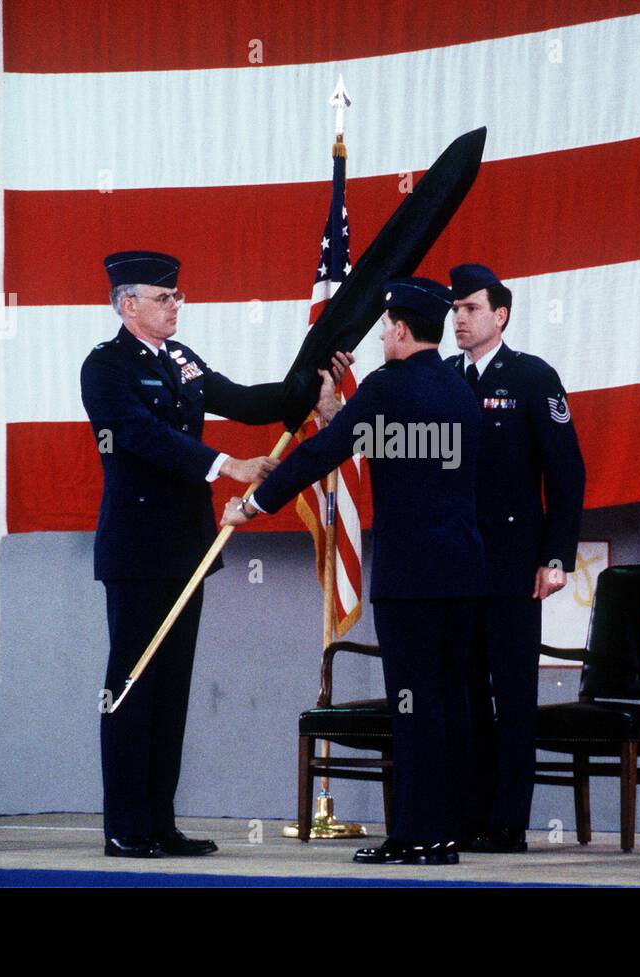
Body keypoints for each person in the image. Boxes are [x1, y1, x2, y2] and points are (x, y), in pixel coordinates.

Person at [80, 249, 347, 858]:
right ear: (128, 304)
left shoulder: (182, 361)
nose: (176, 306)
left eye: (177, 297)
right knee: (133, 682)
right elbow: (141, 436)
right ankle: (125, 824)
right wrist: (227, 466)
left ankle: (158, 822)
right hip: (137, 548)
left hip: (186, 548)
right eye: (164, 298)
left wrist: (313, 379)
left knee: (171, 688)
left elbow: (248, 401)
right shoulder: (106, 368)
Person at [222, 277, 484, 865]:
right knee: (447, 705)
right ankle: (445, 833)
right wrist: (338, 406)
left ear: (399, 329)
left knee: (413, 704)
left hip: (412, 578)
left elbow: (323, 452)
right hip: (463, 571)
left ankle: (413, 835)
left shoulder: (389, 387)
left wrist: (253, 506)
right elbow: (394, 447)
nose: (384, 335)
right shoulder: (459, 389)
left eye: (387, 327)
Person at [447, 263, 585, 853]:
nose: (459, 318)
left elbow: (567, 472)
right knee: (466, 694)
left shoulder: (531, 377)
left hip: (514, 566)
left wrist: (557, 557)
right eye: (455, 309)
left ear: (499, 315)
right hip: (454, 566)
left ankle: (507, 822)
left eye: (471, 308)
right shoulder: (443, 377)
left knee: (513, 696)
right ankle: (469, 815)